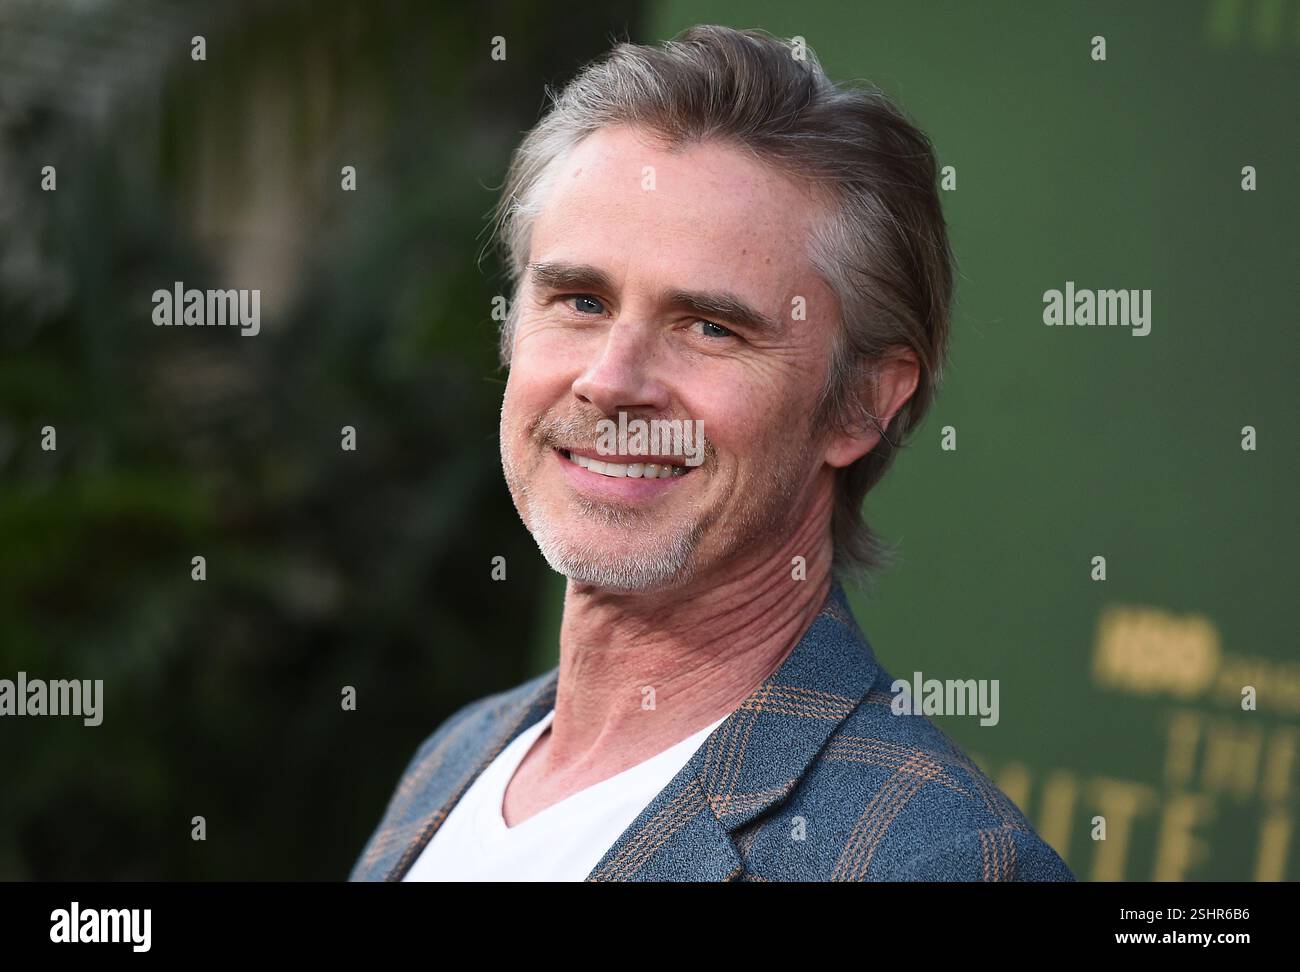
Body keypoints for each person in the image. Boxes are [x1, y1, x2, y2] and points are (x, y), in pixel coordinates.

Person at [350, 24, 1074, 882]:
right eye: (580, 300)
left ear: (863, 403)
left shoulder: (938, 862)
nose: (612, 382)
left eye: (709, 326)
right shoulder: (460, 755)